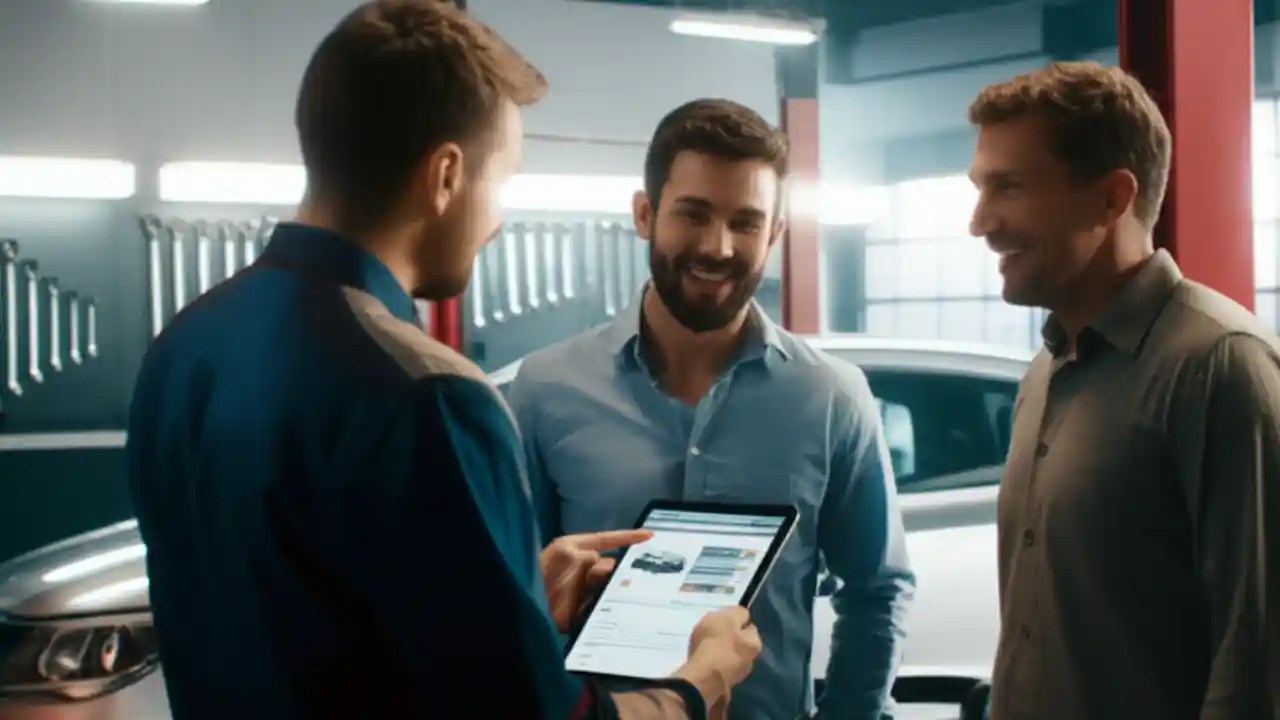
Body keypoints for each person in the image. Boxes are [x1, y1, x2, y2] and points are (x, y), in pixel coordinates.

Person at [126, 2, 761, 718]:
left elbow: (312, 623)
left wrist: (514, 601)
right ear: (447, 175)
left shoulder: (181, 351)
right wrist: (697, 683)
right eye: (505, 182)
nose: (498, 219)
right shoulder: (427, 394)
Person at [505, 98, 916, 720]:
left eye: (746, 222)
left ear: (775, 235)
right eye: (693, 215)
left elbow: (876, 591)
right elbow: (512, 590)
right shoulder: (546, 388)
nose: (718, 247)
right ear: (645, 214)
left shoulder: (832, 395)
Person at [968, 61, 1280, 720]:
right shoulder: (1045, 370)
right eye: (980, 188)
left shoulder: (1220, 367)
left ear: (1111, 198)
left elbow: (1256, 653)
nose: (980, 221)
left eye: (1009, 188)